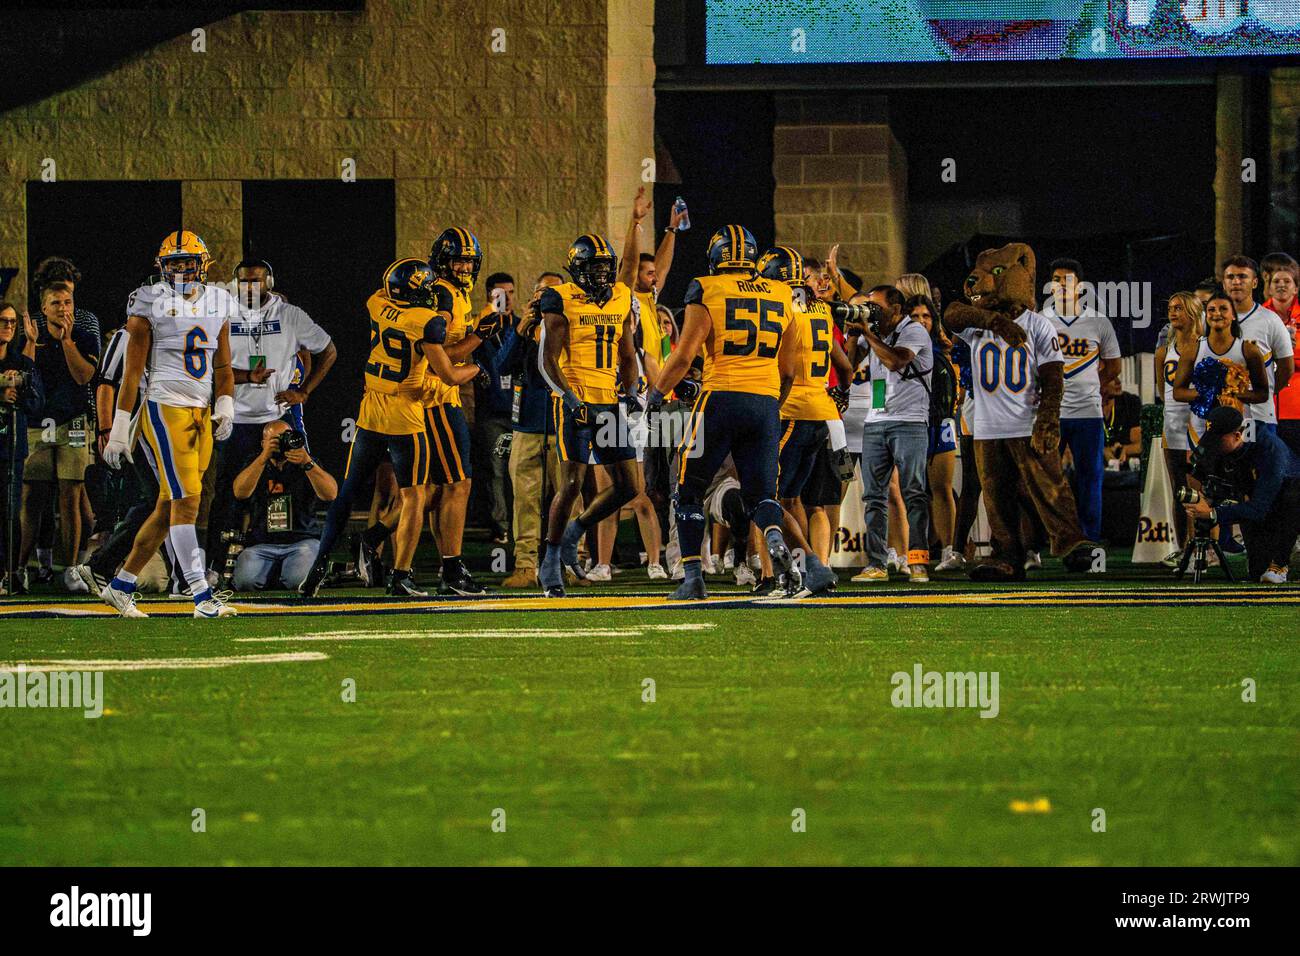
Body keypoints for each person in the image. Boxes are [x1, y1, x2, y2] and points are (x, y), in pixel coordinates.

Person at [300, 258, 483, 598]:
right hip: (404, 412)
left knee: (349, 488)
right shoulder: (426, 322)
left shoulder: (377, 303)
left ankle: (317, 570)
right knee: (414, 496)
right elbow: (451, 375)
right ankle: (400, 575)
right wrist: (477, 367)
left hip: (371, 408)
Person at [645, 224, 799, 601]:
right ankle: (775, 539)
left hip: (720, 397)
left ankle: (694, 578)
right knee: (762, 495)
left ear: (716, 255)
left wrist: (656, 394)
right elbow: (790, 370)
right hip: (764, 401)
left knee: (689, 490)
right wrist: (770, 405)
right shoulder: (781, 292)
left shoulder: (706, 287)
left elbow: (684, 354)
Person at [99, 230, 239, 618]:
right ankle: (200, 595)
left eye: (186, 262)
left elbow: (223, 364)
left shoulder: (218, 301)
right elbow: (132, 373)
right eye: (172, 263)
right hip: (164, 405)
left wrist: (225, 403)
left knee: (167, 507)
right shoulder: (148, 303)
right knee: (188, 500)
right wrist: (119, 429)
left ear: (202, 264)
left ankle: (121, 585)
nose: (179, 269)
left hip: (200, 410)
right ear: (161, 267)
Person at [207, 258, 336, 576]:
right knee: (227, 491)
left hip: (279, 414)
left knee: (300, 478)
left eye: (258, 281)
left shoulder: (288, 314)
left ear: (271, 282)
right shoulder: (224, 313)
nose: (251, 287)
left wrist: (302, 390)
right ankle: (216, 562)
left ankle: (305, 550)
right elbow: (212, 368)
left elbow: (324, 350)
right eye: (245, 281)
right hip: (237, 418)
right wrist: (247, 376)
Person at [536, 229, 641, 597]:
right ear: (578, 269)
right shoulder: (560, 299)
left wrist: (631, 391)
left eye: (605, 268)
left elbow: (627, 355)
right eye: (594, 268)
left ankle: (574, 531)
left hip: (608, 400)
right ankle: (549, 561)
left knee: (631, 486)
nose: (601, 275)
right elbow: (547, 359)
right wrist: (569, 399)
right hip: (575, 399)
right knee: (571, 483)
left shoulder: (620, 297)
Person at [758, 244, 846, 598]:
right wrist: (842, 397)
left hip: (792, 410)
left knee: (767, 495)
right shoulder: (822, 311)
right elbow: (847, 368)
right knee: (811, 500)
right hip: (827, 418)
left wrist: (772, 405)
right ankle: (816, 566)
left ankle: (805, 568)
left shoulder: (785, 310)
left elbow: (787, 371)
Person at [423, 227, 501, 596]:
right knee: (458, 484)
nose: (465, 267)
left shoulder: (453, 292)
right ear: (443, 261)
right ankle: (452, 570)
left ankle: (374, 541)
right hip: (435, 395)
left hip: (437, 396)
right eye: (458, 260)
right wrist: (480, 339)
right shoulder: (441, 293)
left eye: (470, 260)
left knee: (437, 488)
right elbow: (442, 356)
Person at [18, 279, 100, 593]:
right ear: (43, 307)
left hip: (73, 423)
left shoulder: (83, 336)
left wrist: (67, 342)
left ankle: (71, 569)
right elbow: (24, 379)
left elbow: (84, 377)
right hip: (38, 424)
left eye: (67, 302)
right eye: (56, 303)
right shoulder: (31, 337)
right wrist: (30, 343)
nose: (63, 309)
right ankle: (19, 568)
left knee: (71, 495)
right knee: (32, 497)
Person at [852, 285, 934, 583]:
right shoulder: (873, 333)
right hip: (875, 421)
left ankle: (918, 560)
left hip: (910, 422)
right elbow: (848, 367)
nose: (871, 313)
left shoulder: (913, 331)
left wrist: (869, 334)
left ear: (896, 310)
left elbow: (897, 361)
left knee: (914, 492)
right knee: (873, 496)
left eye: (877, 308)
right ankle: (876, 563)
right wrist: (853, 334)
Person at [1040, 258, 1122, 543]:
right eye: (1056, 279)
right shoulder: (1040, 320)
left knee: (1090, 478)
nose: (1062, 285)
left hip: (1088, 411)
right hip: (1051, 413)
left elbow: (1113, 366)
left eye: (1068, 280)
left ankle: (1089, 538)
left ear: (1081, 287)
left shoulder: (1098, 321)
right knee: (1044, 478)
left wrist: (1094, 386)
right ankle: (1048, 537)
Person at [1182, 405, 1300, 583]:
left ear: (1237, 436)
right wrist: (1200, 499)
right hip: (1261, 501)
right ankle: (1272, 557)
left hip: (1283, 499)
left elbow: (1258, 509)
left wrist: (1212, 513)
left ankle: (1281, 561)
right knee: (1257, 572)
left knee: (1294, 496)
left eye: (1218, 441)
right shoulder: (1229, 442)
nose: (1214, 447)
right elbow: (1196, 471)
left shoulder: (1271, 450)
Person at [497, 272, 564, 588]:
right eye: (541, 292)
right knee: (525, 500)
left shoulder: (570, 326)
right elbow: (501, 366)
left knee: (567, 497)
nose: (546, 298)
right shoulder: (524, 328)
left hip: (562, 423)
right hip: (527, 424)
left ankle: (566, 563)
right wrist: (522, 328)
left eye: (553, 292)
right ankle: (525, 565)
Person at [230, 420, 337, 590]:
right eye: (274, 440)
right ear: (263, 443)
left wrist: (307, 462)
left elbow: (330, 494)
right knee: (245, 582)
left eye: (284, 438)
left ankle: (280, 574)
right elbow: (240, 492)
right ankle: (275, 574)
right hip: (261, 543)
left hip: (302, 540)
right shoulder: (255, 462)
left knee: (298, 580)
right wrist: (262, 458)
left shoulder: (306, 463)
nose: (280, 444)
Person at [1221, 255, 1293, 441]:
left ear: (1254, 283)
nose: (1236, 282)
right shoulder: (1210, 318)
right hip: (1219, 414)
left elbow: (1286, 367)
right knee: (1220, 468)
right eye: (1230, 277)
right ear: (1223, 283)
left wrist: (1264, 391)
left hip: (1258, 415)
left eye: (1243, 277)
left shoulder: (1269, 320)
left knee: (1257, 467)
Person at [1153, 292, 1203, 549]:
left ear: (1193, 312)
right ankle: (1182, 547)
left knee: (1199, 487)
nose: (1173, 313)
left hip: (1199, 424)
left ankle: (1202, 546)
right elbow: (1163, 392)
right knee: (1178, 490)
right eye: (1171, 308)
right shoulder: (1163, 352)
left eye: (1179, 308)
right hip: (1172, 423)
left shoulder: (1205, 347)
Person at [0, 302, 44, 595]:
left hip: (11, 447)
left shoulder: (22, 363)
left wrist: (17, 396)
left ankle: (10, 572)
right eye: (3, 320)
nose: (8, 326)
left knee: (10, 511)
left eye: (12, 322)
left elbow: (37, 403)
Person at [471, 272, 517, 546]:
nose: (507, 298)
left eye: (510, 292)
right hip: (491, 411)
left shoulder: (522, 326)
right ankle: (501, 527)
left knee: (519, 473)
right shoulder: (479, 329)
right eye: (500, 294)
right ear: (489, 297)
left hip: (519, 413)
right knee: (496, 471)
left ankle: (521, 525)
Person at [1260, 254, 1300, 456]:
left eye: (1287, 281)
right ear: (1268, 286)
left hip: (1297, 404)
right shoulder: (1258, 315)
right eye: (1276, 281)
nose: (1282, 285)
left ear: (1296, 287)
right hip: (1266, 404)